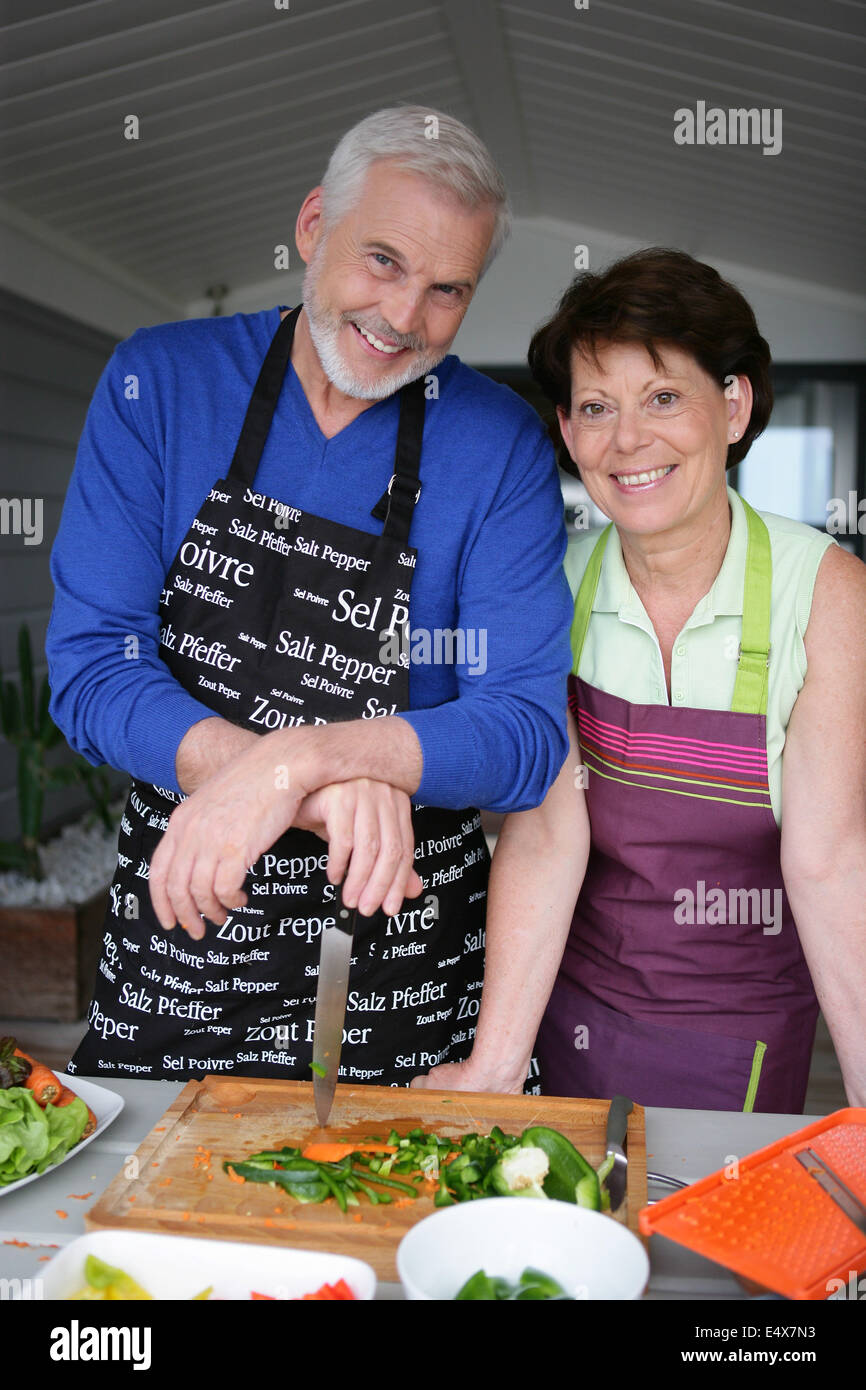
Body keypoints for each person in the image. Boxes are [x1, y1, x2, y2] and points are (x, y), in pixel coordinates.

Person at [46, 106, 572, 1087]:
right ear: (311, 224)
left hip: (406, 970)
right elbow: (92, 664)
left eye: (445, 289)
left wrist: (305, 760)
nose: (403, 317)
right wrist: (291, 785)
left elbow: (522, 732)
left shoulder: (497, 444)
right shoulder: (157, 384)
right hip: (186, 936)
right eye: (381, 261)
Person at [415, 248, 866, 1112]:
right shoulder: (552, 583)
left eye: (663, 398)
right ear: (568, 431)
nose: (628, 441)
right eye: (596, 408)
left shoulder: (827, 590)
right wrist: (494, 1065)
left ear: (732, 405)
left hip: (743, 1030)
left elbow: (828, 862)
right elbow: (544, 840)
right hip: (565, 1007)